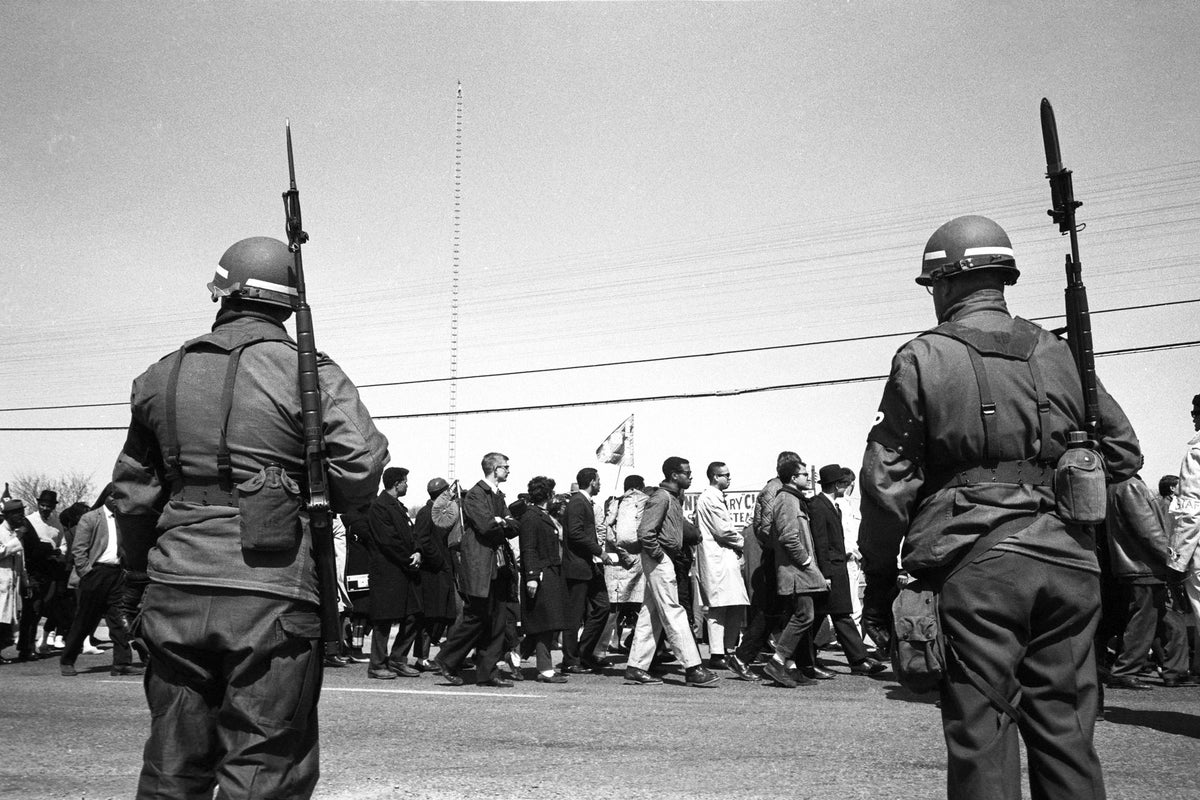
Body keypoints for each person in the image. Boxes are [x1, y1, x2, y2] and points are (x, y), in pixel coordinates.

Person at [858, 215, 1141, 800]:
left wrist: (881, 576)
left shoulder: (924, 356)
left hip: (977, 568)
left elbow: (887, 484)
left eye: (933, 284)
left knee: (983, 735)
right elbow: (1122, 451)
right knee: (1066, 731)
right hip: (1069, 564)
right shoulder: (1058, 353)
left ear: (949, 282)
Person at [110, 235, 389, 799]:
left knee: (172, 764)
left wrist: (139, 578)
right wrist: (309, 490)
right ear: (290, 303)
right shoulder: (308, 373)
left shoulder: (162, 375)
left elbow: (134, 496)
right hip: (273, 589)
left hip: (175, 584)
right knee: (264, 766)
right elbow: (360, 464)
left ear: (222, 292)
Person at [623, 456, 719, 688]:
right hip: (660, 557)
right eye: (686, 472)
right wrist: (659, 555)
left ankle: (636, 666)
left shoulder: (674, 497)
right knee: (673, 612)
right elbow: (646, 532)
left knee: (651, 614)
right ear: (674, 475)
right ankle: (693, 668)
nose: (691, 475)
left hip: (664, 557)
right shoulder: (661, 497)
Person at [433, 452, 520, 687]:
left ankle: (487, 672)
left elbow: (513, 525)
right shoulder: (475, 494)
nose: (508, 470)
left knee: (497, 620)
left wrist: (503, 521)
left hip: (498, 567)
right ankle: (446, 659)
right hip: (481, 566)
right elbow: (487, 526)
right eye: (505, 466)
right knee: (476, 617)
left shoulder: (497, 495)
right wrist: (501, 521)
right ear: (493, 468)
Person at [1104, 475, 1191, 688]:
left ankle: (1175, 670)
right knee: (1145, 620)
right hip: (1144, 566)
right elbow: (1148, 532)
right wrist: (1173, 560)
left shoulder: (1119, 485)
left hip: (1140, 565)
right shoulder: (1130, 486)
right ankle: (1125, 670)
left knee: (1165, 619)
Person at [806, 464, 883, 676]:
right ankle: (858, 660)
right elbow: (821, 542)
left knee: (826, 616)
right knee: (841, 614)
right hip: (832, 569)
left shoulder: (832, 505)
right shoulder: (819, 506)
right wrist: (826, 574)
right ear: (837, 484)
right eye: (843, 483)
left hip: (836, 567)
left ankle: (806, 657)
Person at [58, 486, 139, 677]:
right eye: (112, 496)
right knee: (84, 620)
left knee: (118, 620)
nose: (116, 500)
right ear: (104, 497)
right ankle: (67, 660)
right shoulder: (91, 518)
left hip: (117, 574)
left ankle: (121, 664)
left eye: (119, 496)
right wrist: (87, 573)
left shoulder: (123, 519)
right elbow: (78, 550)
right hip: (95, 574)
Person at [760, 458, 826, 688]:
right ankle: (777, 661)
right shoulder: (786, 499)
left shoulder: (794, 499)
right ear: (792, 478)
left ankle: (791, 667)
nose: (808, 478)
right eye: (804, 474)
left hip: (799, 570)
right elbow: (788, 537)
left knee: (799, 616)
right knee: (804, 615)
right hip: (796, 571)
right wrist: (806, 561)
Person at [365, 467, 427, 679]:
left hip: (405, 572)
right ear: (397, 483)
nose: (407, 485)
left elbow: (411, 534)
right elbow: (387, 540)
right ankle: (377, 664)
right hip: (388, 572)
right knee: (383, 619)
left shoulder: (399, 507)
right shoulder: (379, 507)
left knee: (414, 615)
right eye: (405, 481)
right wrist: (408, 558)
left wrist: (417, 551)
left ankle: (398, 659)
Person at [694, 461, 749, 670]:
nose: (729, 478)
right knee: (718, 606)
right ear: (715, 477)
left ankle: (727, 649)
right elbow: (723, 530)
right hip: (718, 557)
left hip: (724, 556)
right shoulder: (710, 498)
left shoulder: (715, 497)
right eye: (725, 475)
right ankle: (718, 652)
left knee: (734, 603)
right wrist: (744, 542)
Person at [518, 476, 569, 683]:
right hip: (540, 574)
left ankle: (515, 655)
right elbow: (528, 548)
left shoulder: (542, 515)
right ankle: (545, 669)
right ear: (548, 494)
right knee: (545, 624)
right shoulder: (531, 517)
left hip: (551, 573)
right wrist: (531, 577)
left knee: (545, 622)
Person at [561, 467, 610, 673]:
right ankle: (571, 660)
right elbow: (575, 533)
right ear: (591, 482)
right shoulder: (578, 503)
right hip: (577, 567)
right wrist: (600, 552)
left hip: (588, 566)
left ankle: (584, 652)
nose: (600, 484)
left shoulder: (583, 503)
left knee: (602, 606)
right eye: (598, 480)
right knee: (574, 616)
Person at [413, 477, 455, 672]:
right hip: (432, 572)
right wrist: (439, 561)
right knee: (429, 617)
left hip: (443, 570)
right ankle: (422, 658)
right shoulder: (426, 513)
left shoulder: (442, 512)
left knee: (443, 616)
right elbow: (422, 540)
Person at [0, 500, 28, 662]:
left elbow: (21, 561)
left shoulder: (16, 534)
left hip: (11, 583)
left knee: (6, 621)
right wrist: (16, 540)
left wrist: (25, 581)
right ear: (8, 515)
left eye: (22, 513)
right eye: (17, 514)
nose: (21, 517)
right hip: (1, 582)